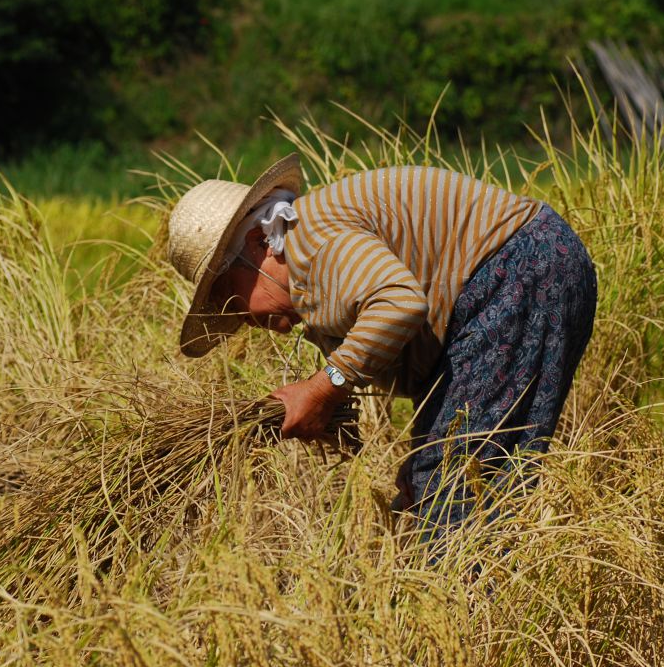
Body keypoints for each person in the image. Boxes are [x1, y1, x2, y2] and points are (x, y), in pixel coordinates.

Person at [166, 154, 597, 540]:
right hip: (521, 276)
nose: (252, 324)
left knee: (455, 493)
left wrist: (322, 388)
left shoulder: (311, 241)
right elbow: (423, 356)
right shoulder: (310, 270)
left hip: (518, 272)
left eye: (234, 302)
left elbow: (400, 304)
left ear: (259, 244)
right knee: (445, 481)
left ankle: (455, 618)